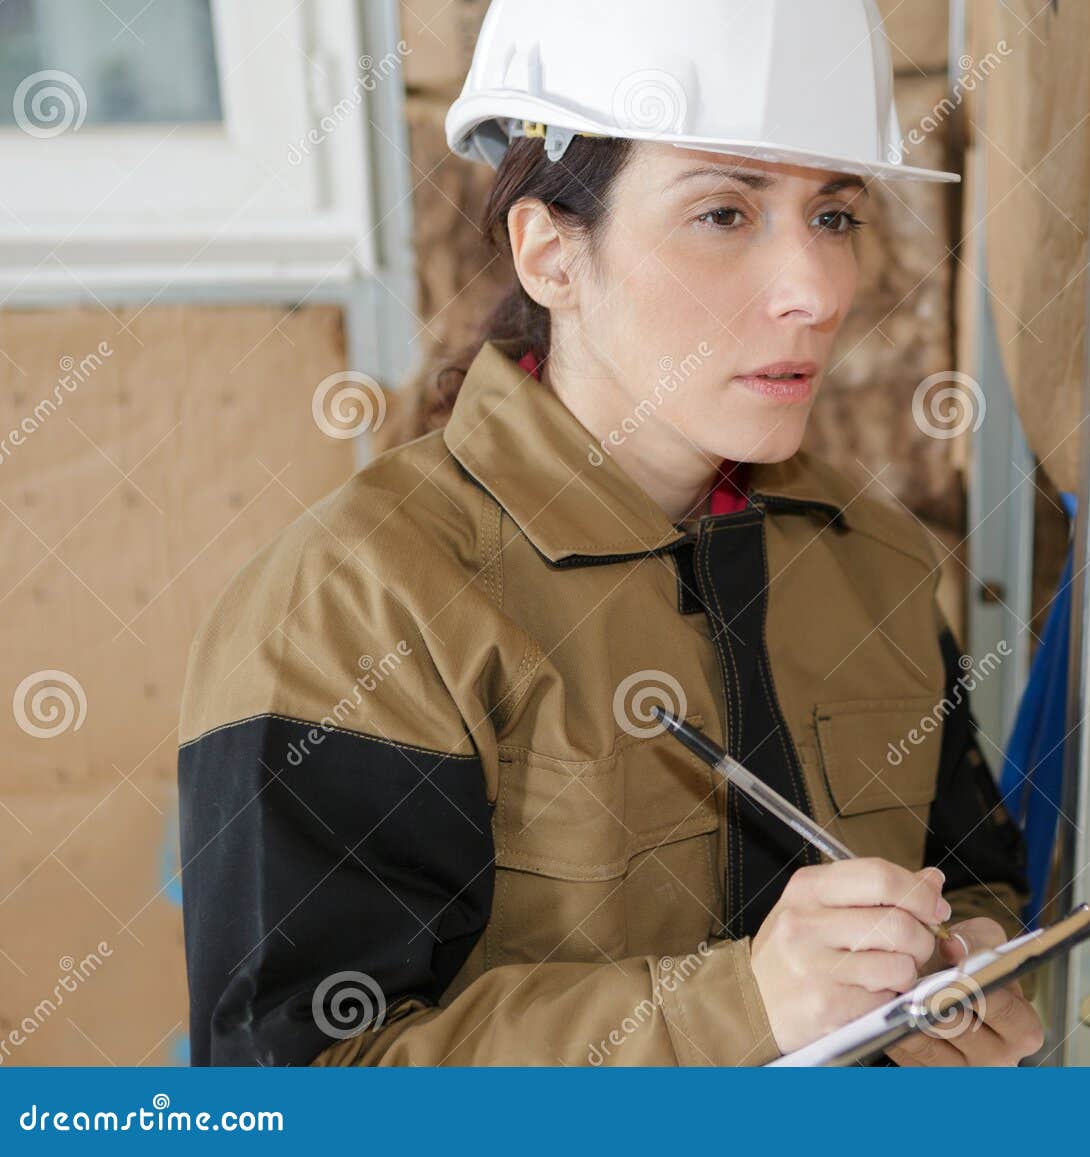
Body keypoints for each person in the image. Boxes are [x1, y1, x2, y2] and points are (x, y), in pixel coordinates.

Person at [176, 0, 1039, 1067]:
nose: (813, 292)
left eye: (833, 216)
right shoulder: (359, 600)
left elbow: (974, 870)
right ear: (549, 252)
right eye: (723, 213)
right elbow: (295, 1086)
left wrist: (968, 962)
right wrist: (738, 1007)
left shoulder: (880, 563)